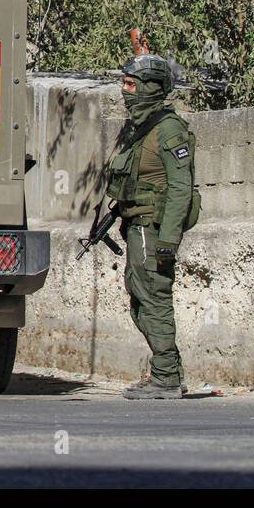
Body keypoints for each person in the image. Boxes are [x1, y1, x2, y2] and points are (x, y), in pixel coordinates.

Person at [105, 53, 195, 400]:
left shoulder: (168, 129)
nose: (125, 91)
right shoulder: (139, 129)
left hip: (152, 229)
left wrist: (169, 239)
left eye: (131, 84)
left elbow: (181, 187)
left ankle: (166, 378)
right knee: (140, 299)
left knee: (153, 298)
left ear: (150, 88)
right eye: (124, 83)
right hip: (136, 225)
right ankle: (171, 371)